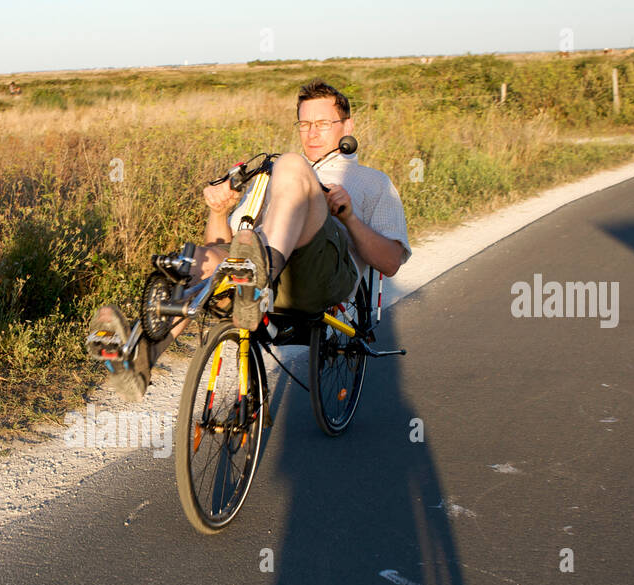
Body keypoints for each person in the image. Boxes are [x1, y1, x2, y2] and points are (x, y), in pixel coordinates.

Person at [90, 80, 411, 402]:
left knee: (289, 163)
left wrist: (349, 217)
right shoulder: (273, 175)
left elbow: (391, 262)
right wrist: (219, 212)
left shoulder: (373, 182)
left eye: (323, 124)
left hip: (321, 277)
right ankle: (141, 357)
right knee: (200, 260)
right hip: (260, 273)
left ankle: (259, 278)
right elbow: (225, 246)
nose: (312, 133)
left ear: (347, 126)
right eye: (305, 124)